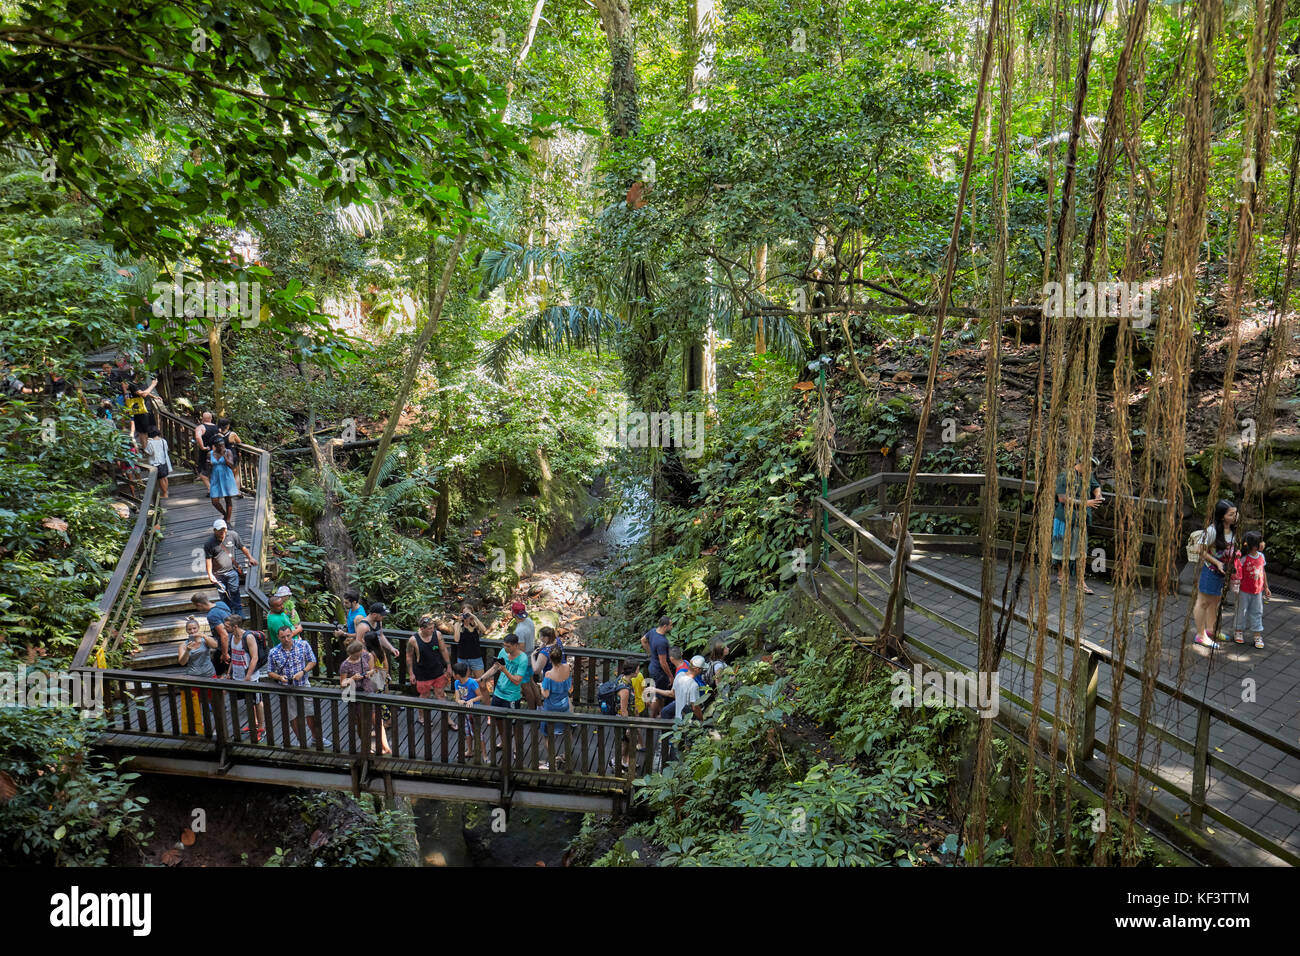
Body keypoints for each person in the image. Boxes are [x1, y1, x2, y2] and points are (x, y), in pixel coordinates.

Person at [267, 624, 327, 748]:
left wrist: (303, 672)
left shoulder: (303, 645)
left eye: (288, 636)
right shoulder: (274, 652)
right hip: (286, 687)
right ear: (278, 637)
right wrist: (279, 677)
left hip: (303, 683)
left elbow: (313, 661)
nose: (286, 639)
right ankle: (301, 741)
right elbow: (270, 671)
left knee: (311, 711)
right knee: (292, 715)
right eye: (283, 637)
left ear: (292, 634)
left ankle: (317, 737)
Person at [1052, 456, 1103, 594]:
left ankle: (1081, 582)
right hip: (1064, 519)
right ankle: (1061, 576)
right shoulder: (1065, 475)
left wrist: (1097, 495)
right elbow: (1062, 498)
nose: (1091, 470)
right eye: (1090, 467)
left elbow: (1095, 485)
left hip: (1081, 520)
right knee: (1061, 548)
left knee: (1082, 551)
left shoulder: (1087, 476)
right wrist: (1085, 503)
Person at [1193, 499, 1239, 648]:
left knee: (1216, 601)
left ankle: (1211, 629)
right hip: (1211, 571)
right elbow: (1200, 550)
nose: (1235, 516)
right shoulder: (1212, 530)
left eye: (1236, 513)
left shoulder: (1233, 529)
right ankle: (1200, 635)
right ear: (1221, 517)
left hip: (1223, 573)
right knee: (1204, 602)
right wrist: (1217, 562)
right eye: (1231, 514)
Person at [339, 640, 387, 754]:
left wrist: (370, 672)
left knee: (377, 720)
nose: (362, 653)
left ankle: (385, 747)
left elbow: (372, 669)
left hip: (368, 690)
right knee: (361, 722)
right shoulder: (345, 665)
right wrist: (352, 679)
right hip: (356, 695)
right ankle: (366, 746)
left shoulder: (366, 656)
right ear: (354, 653)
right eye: (359, 652)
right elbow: (342, 683)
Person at [224, 614, 266, 742]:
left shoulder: (248, 637)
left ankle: (262, 727)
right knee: (248, 701)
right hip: (237, 676)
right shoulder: (232, 637)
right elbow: (233, 655)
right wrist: (229, 673)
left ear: (235, 626)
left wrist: (248, 676)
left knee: (257, 701)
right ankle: (253, 724)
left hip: (250, 677)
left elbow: (254, 657)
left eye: (227, 626)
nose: (225, 628)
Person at [204, 518, 256, 617]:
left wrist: (250, 558)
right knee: (223, 595)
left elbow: (242, 547)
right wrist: (210, 574)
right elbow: (208, 559)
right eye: (219, 531)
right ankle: (227, 613)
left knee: (234, 592)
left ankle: (238, 612)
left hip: (231, 571)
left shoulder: (233, 535)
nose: (222, 533)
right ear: (214, 531)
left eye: (223, 530)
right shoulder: (209, 543)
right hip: (218, 574)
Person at [177, 616, 218, 734]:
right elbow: (182, 662)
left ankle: (215, 728)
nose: (192, 631)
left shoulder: (205, 641)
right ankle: (198, 727)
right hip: (193, 677)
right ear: (186, 631)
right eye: (189, 629)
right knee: (195, 705)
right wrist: (188, 651)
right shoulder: (184, 645)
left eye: (194, 628)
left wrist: (203, 636)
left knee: (214, 702)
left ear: (198, 628)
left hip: (209, 675)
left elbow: (215, 645)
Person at [1232, 531, 1271, 650]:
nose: (1262, 544)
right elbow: (1237, 571)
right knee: (1241, 610)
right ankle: (1238, 630)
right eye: (1260, 542)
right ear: (1253, 545)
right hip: (1244, 590)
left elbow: (1263, 572)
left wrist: (1266, 587)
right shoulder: (1243, 558)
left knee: (1257, 612)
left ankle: (1257, 635)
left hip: (1257, 591)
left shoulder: (1261, 556)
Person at [538, 651, 573, 769]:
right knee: (567, 731)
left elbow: (546, 695)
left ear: (550, 660)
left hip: (551, 707)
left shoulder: (548, 675)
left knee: (547, 735)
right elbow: (569, 688)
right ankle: (566, 755)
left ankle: (552, 761)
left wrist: (541, 687)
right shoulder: (568, 667)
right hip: (564, 706)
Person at [407, 614, 453, 700]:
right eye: (429, 628)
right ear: (422, 629)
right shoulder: (413, 640)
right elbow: (409, 657)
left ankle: (444, 713)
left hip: (437, 669)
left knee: (440, 694)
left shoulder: (438, 635)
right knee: (424, 695)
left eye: (433, 627)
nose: (432, 630)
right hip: (422, 672)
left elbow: (444, 650)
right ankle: (421, 714)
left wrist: (449, 666)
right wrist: (411, 674)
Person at [482, 633, 531, 710]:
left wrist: (505, 671)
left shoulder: (523, 658)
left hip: (511, 697)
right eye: (504, 645)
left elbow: (517, 681)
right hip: (498, 693)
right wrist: (481, 678)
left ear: (516, 645)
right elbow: (495, 667)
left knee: (510, 720)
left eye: (508, 646)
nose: (505, 648)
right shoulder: (503, 651)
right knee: (495, 717)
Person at [452, 661, 489, 760]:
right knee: (467, 732)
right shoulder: (457, 683)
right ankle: (469, 750)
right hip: (464, 712)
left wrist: (471, 700)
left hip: (473, 712)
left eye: (453, 672)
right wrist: (459, 700)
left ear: (457, 675)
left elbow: (480, 696)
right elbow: (457, 697)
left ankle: (485, 755)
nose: (452, 674)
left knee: (477, 733)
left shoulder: (472, 682)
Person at [190, 593, 233, 676]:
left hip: (227, 647)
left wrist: (225, 654)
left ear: (199, 604)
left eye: (196, 606)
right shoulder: (221, 604)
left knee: (220, 674)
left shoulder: (212, 615)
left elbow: (224, 635)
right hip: (234, 641)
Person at [641, 615, 674, 717]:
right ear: (665, 626)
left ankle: (660, 714)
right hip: (660, 672)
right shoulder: (662, 642)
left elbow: (643, 640)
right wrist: (670, 676)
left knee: (657, 693)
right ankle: (654, 718)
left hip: (652, 667)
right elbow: (663, 662)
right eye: (670, 625)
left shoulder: (653, 631)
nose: (672, 627)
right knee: (658, 696)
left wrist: (650, 652)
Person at [208, 435, 238, 524]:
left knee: (228, 500)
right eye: (220, 445)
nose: (222, 447)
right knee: (214, 501)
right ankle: (225, 514)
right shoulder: (210, 454)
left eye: (223, 445)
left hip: (226, 478)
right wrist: (209, 465)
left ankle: (228, 521)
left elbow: (232, 465)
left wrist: (225, 457)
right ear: (215, 446)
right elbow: (208, 468)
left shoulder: (228, 452)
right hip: (215, 478)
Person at [453, 605, 488, 676]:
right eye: (464, 613)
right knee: (465, 683)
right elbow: (456, 640)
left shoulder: (475, 624)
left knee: (481, 682)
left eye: (468, 613)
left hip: (476, 658)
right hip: (463, 659)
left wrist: (475, 617)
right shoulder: (458, 624)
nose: (466, 615)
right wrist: (459, 622)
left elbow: (484, 630)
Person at [143, 426, 172, 498]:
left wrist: (144, 448)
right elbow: (166, 449)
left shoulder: (150, 442)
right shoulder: (163, 440)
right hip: (164, 461)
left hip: (155, 462)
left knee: (160, 479)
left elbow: (150, 452)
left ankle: (165, 493)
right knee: (165, 477)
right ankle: (165, 491)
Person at [194, 412, 218, 491]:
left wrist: (202, 447)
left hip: (206, 452)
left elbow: (198, 436)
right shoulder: (217, 427)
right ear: (211, 419)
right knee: (213, 470)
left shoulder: (201, 427)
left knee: (202, 471)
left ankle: (209, 489)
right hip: (216, 452)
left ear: (202, 419)